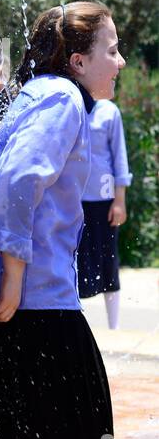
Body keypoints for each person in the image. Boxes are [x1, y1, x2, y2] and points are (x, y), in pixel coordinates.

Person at [0, 1, 128, 439]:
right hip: (41, 306)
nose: (118, 62)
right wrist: (17, 276)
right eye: (110, 51)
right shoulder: (65, 99)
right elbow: (17, 181)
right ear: (77, 59)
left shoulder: (31, 96)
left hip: (26, 306)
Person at [77, 94, 131, 329]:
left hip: (105, 200)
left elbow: (120, 157)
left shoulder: (110, 111)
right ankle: (78, 323)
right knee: (76, 263)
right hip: (74, 201)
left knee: (109, 260)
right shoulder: (73, 107)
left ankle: (114, 326)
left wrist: (119, 200)